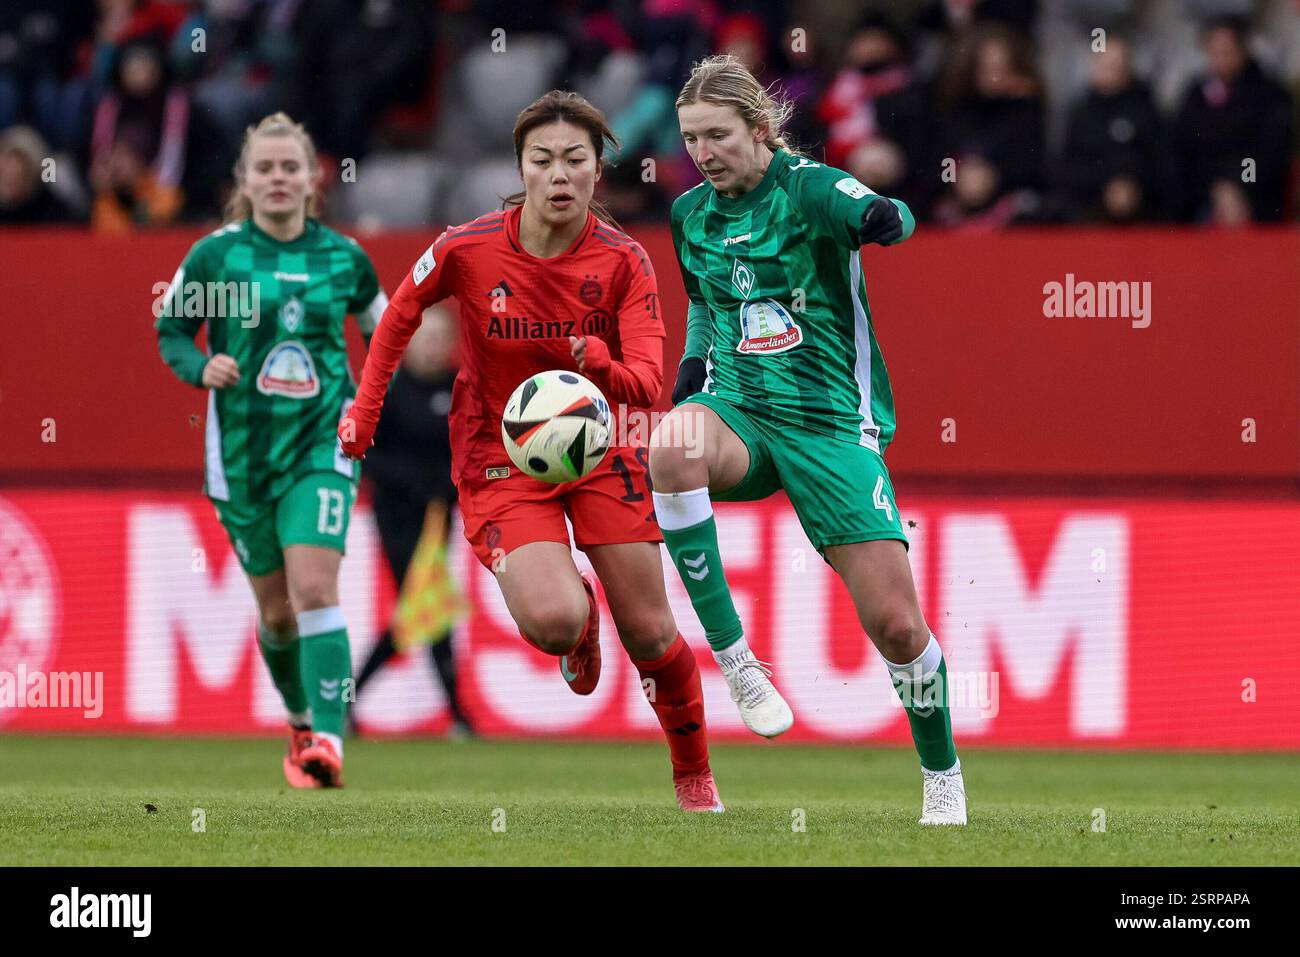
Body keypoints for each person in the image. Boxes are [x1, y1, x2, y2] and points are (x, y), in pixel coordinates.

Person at [340, 90, 725, 813]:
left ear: (596, 170)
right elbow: (399, 314)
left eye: (575, 160)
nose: (559, 174)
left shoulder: (625, 262)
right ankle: (577, 620)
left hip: (605, 444)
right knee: (549, 622)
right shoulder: (467, 245)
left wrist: (599, 364)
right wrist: (365, 409)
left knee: (649, 629)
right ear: (521, 166)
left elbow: (647, 384)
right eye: (542, 159)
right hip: (500, 454)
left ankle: (693, 773)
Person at [651, 54, 967, 825]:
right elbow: (702, 298)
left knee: (898, 626)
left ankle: (942, 773)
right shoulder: (690, 212)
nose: (703, 152)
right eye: (692, 137)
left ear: (759, 130)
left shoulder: (811, 189)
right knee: (668, 449)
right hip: (743, 411)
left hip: (831, 425)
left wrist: (883, 220)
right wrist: (695, 361)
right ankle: (737, 661)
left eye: (718, 135)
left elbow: (888, 211)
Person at [155, 112, 387, 789]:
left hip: (322, 444)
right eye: (266, 168)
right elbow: (171, 330)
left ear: (312, 177)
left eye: (291, 167)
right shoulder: (214, 256)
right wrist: (200, 369)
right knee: (278, 613)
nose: (279, 178)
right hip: (243, 458)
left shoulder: (344, 257)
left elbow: (385, 332)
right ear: (245, 181)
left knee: (315, 587)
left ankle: (329, 739)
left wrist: (366, 405)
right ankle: (298, 717)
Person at [351, 306, 474, 738]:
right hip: (399, 517)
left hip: (439, 517)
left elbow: (469, 448)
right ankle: (460, 718)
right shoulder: (389, 390)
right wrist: (416, 484)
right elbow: (367, 454)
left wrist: (450, 488)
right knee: (423, 609)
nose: (434, 346)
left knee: (421, 612)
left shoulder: (458, 387)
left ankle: (348, 702)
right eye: (426, 338)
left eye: (442, 338)